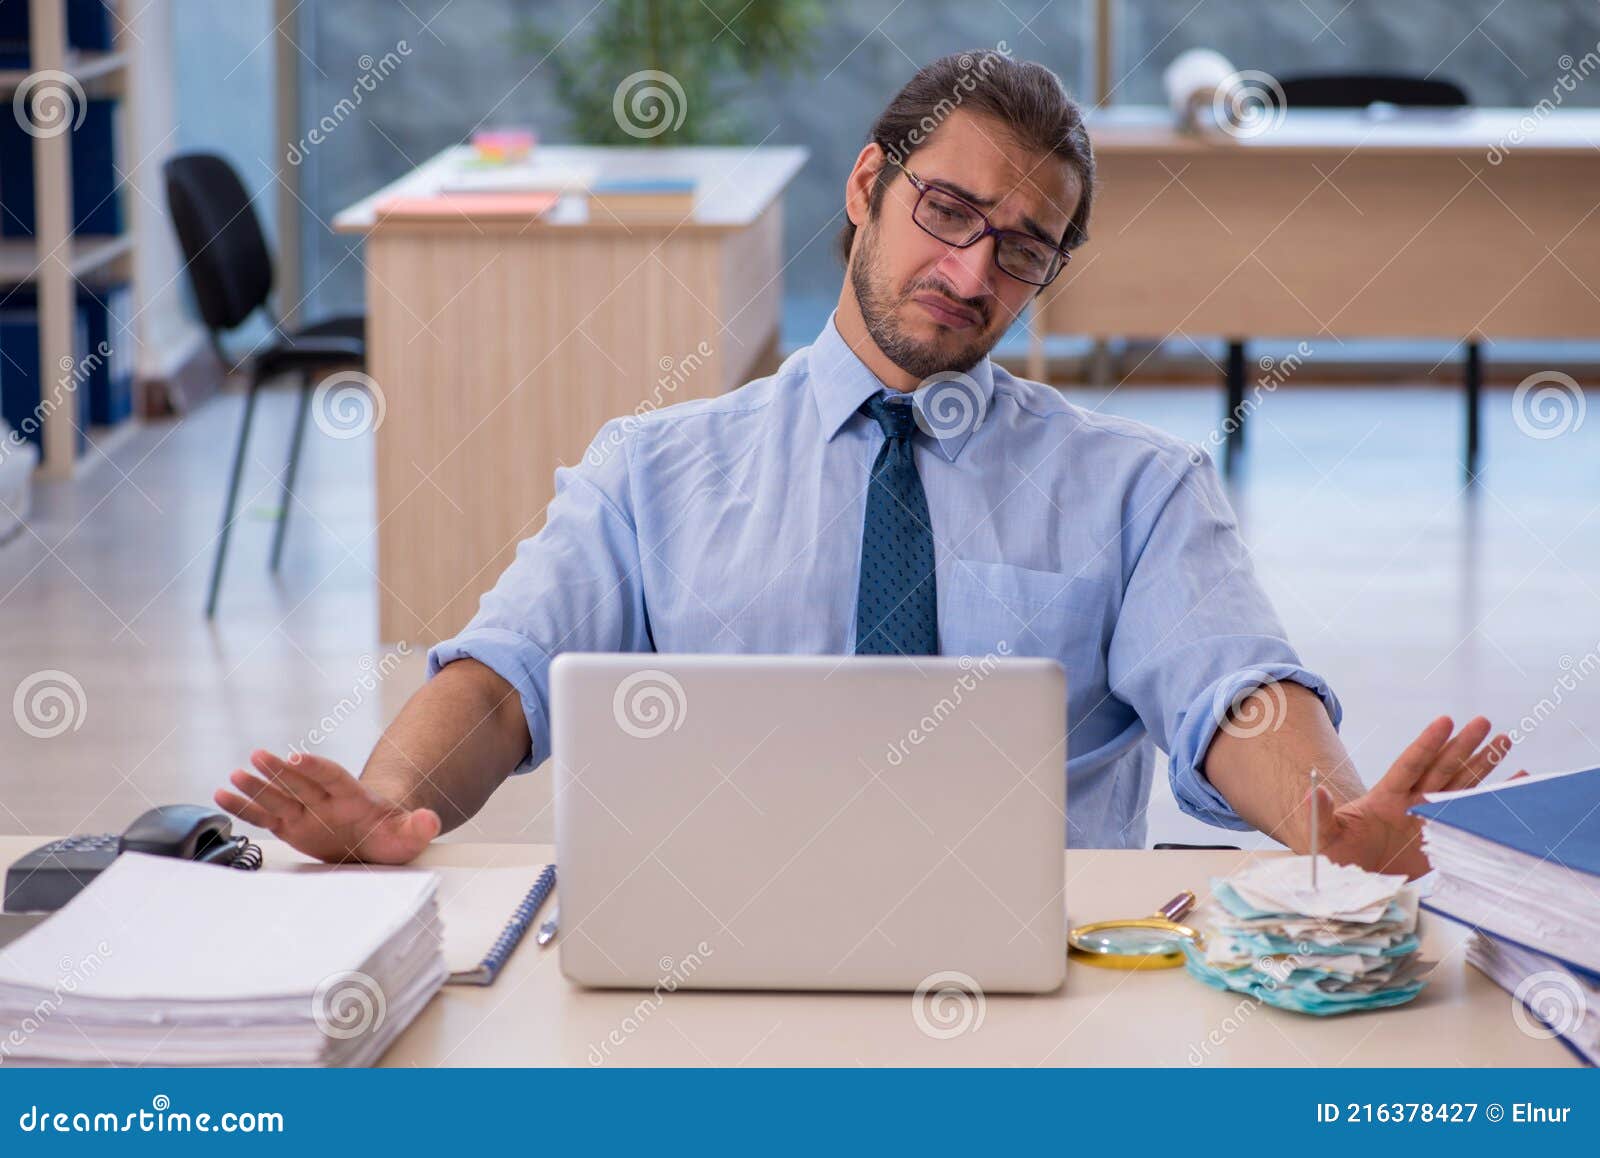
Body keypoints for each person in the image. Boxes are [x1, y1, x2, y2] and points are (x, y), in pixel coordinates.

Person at [216, 51, 1515, 877]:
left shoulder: (1136, 487)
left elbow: (1234, 691)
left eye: (1023, 249)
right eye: (948, 212)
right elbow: (501, 681)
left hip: (1041, 1004)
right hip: (714, 985)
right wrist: (387, 805)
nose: (970, 272)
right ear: (866, 187)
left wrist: (1327, 816)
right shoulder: (656, 471)